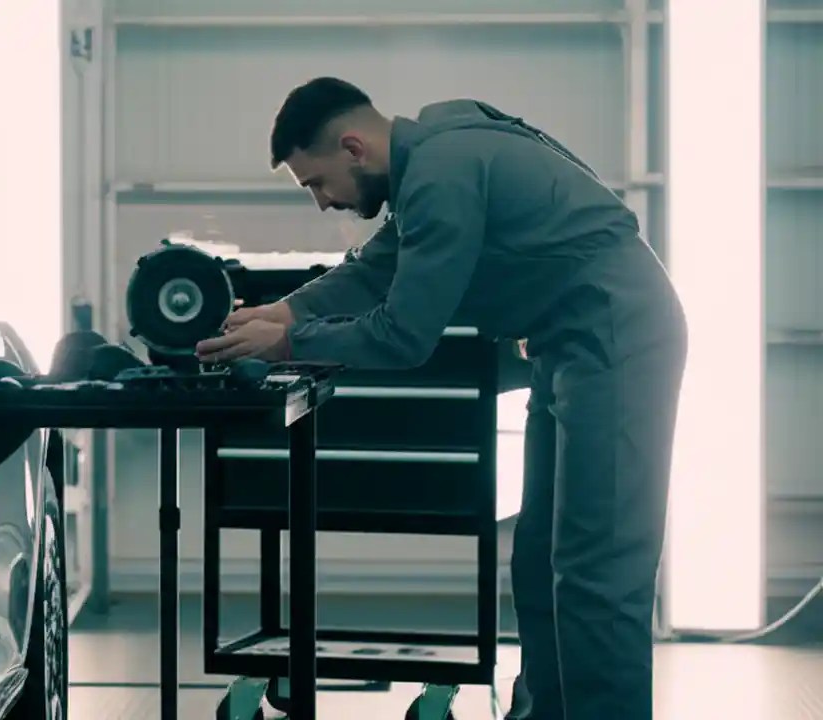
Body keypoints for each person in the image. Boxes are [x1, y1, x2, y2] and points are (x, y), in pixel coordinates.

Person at [195, 77, 688, 720]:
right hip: (566, 348)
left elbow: (405, 334)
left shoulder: (442, 173)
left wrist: (287, 347)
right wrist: (281, 312)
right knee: (541, 561)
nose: (321, 203)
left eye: (317, 183)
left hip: (618, 339)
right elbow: (374, 268)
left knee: (600, 571)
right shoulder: (430, 156)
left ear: (353, 147)